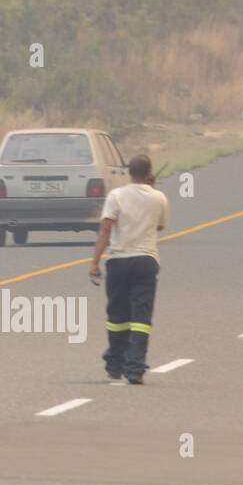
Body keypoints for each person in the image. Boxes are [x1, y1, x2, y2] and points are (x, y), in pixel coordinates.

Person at [88, 154, 169, 385]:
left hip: (118, 261)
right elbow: (160, 225)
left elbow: (105, 229)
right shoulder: (159, 198)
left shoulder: (116, 196)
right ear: (149, 173)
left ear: (128, 172)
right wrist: (151, 193)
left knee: (116, 315)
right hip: (145, 260)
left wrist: (95, 262)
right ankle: (135, 368)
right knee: (141, 317)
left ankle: (115, 364)